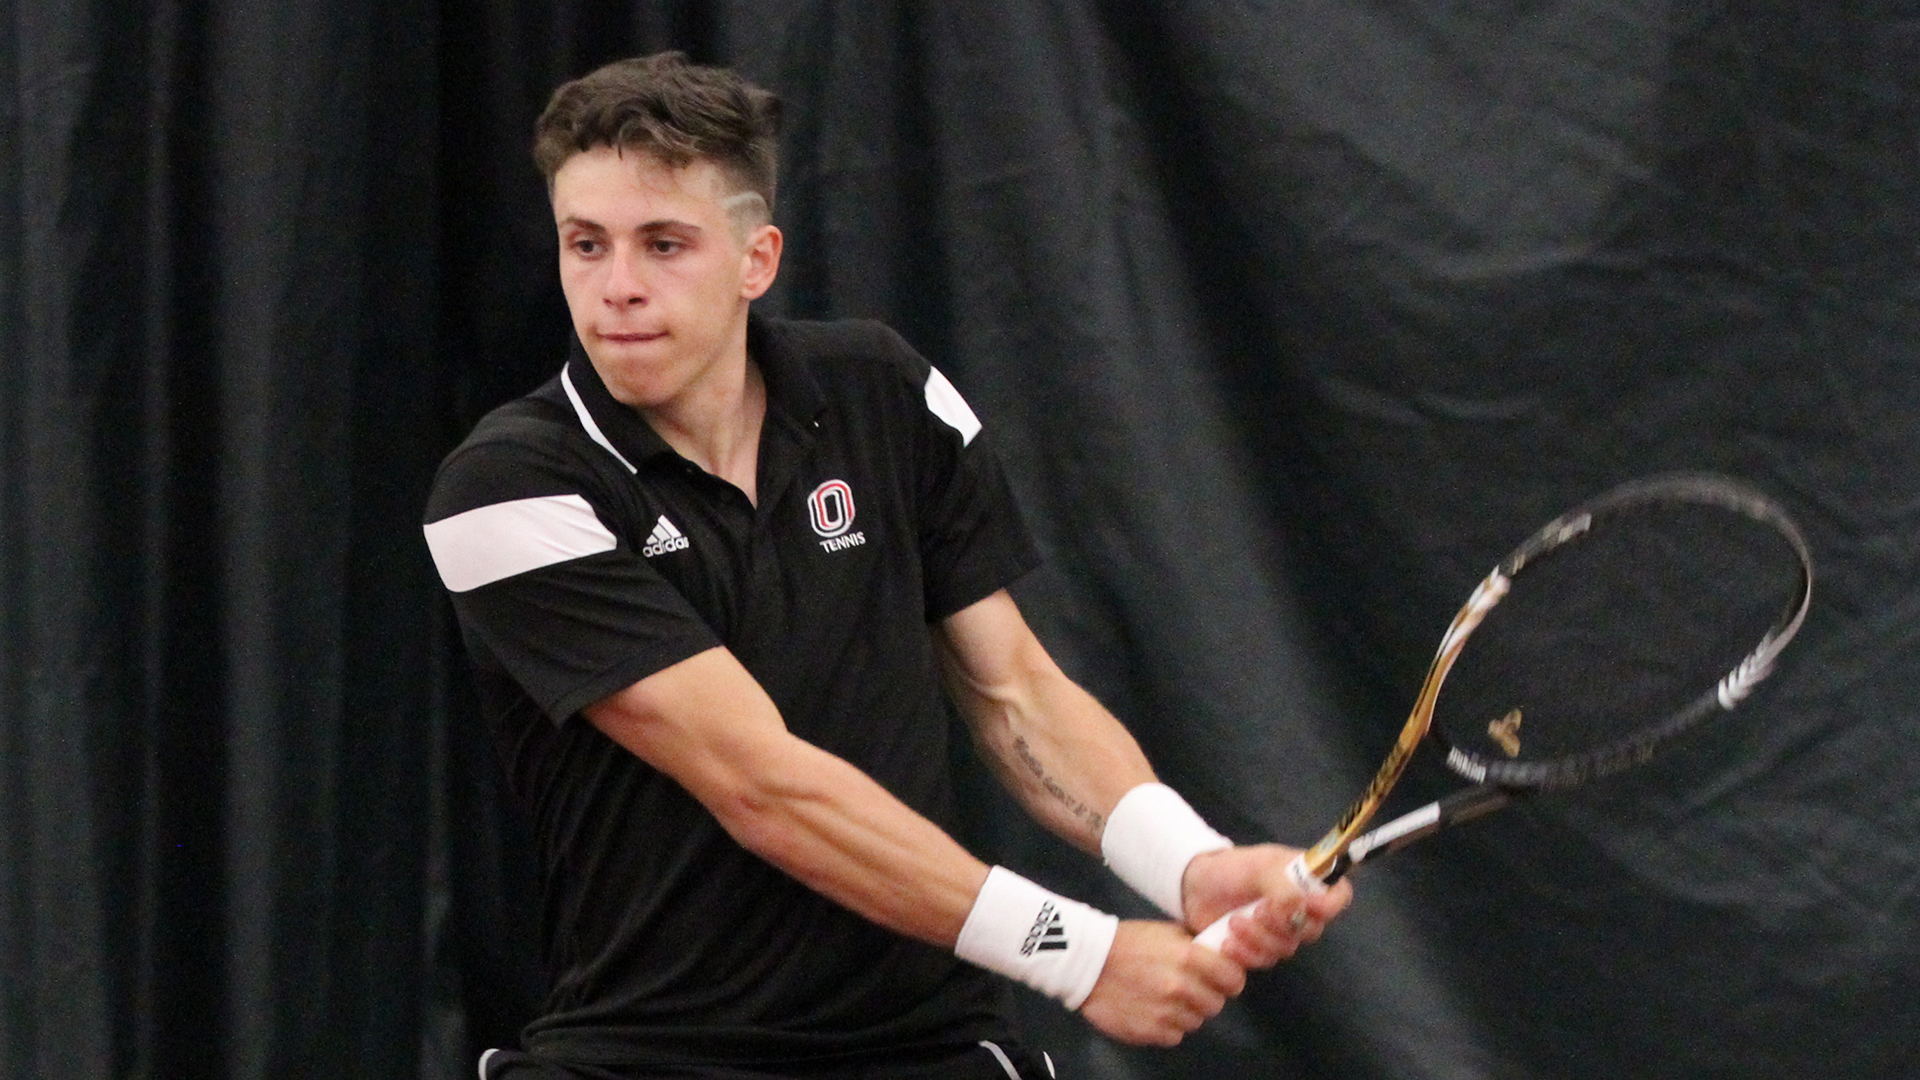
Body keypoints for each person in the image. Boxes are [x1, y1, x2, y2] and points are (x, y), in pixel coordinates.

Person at [423, 51, 1351, 1080]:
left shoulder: (884, 394)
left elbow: (1015, 692)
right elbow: (762, 785)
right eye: (584, 245)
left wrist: (1186, 863)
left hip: (929, 1044)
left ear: (756, 259)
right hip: (646, 1054)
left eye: (665, 244)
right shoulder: (506, 491)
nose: (618, 288)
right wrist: (1079, 953)